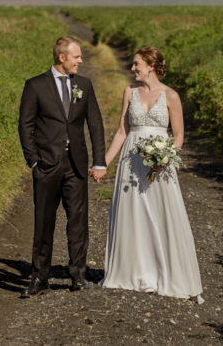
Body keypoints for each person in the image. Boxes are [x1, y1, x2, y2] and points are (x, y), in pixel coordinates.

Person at [101, 46, 203, 302]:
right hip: (131, 162)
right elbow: (122, 132)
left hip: (160, 165)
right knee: (132, 214)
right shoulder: (129, 92)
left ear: (150, 65)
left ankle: (165, 273)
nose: (132, 68)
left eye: (136, 64)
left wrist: (166, 159)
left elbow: (178, 136)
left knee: (161, 214)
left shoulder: (171, 96)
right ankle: (133, 272)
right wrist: (103, 163)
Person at [18, 35, 107, 297]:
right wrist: (34, 160)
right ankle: (39, 279)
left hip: (76, 166)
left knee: (78, 223)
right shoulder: (35, 85)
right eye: (77, 56)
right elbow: (25, 125)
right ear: (62, 57)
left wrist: (99, 161)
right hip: (46, 165)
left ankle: (77, 276)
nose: (81, 60)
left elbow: (96, 125)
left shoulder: (84, 85)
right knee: (43, 223)